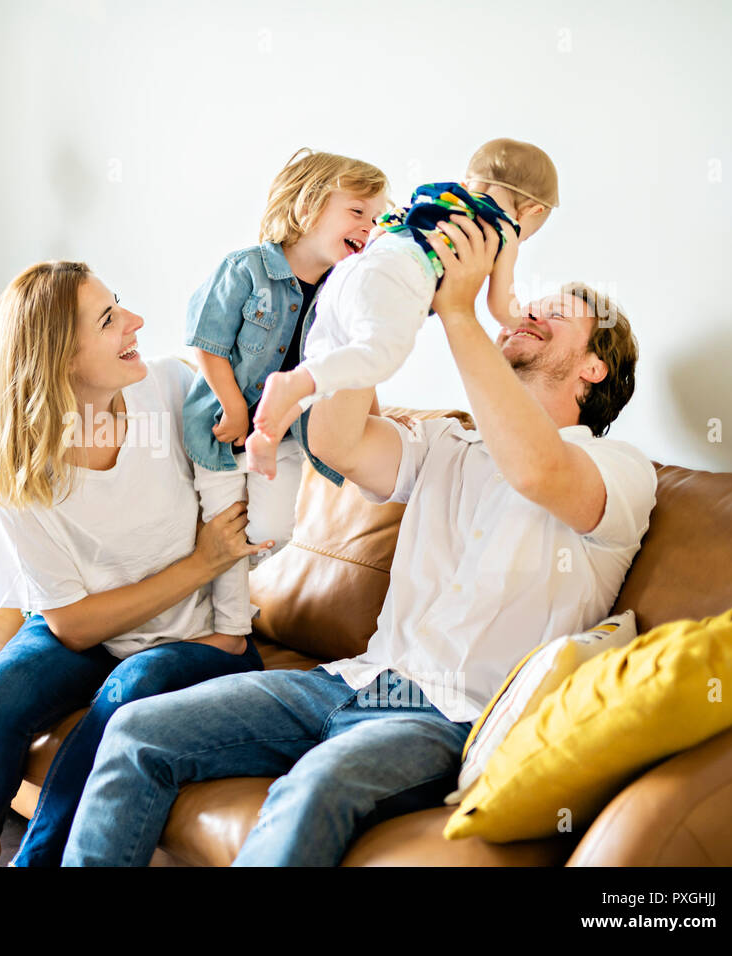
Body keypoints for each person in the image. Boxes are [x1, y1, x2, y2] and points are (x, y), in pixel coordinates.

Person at [61, 213, 658, 866]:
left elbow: (539, 469)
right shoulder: (446, 443)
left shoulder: (620, 472)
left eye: (558, 313)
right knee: (137, 730)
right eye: (527, 305)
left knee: (314, 785)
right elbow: (335, 440)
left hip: (444, 718)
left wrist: (460, 313)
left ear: (595, 367)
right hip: (350, 680)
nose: (526, 312)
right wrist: (377, 293)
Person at [0, 260, 269, 867]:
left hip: (195, 637)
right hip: (90, 629)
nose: (136, 322)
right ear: (63, 359)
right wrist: (202, 562)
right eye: (109, 319)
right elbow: (71, 625)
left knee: (134, 687)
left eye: (118, 304)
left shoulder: (172, 387)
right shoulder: (15, 464)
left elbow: (251, 462)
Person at [246, 138, 559, 479]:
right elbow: (500, 306)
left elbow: (391, 225)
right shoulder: (504, 227)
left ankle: (268, 433)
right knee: (377, 354)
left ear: (469, 182)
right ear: (532, 211)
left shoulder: (441, 195)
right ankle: (291, 386)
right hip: (393, 279)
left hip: (352, 269)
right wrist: (517, 317)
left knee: (332, 365)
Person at [183, 149, 388, 636]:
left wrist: (375, 421)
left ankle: (204, 599)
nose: (369, 226)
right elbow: (207, 344)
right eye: (357, 211)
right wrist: (234, 408)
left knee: (275, 532)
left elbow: (355, 365)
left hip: (287, 435)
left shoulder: (341, 292)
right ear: (306, 207)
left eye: (376, 218)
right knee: (226, 527)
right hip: (221, 429)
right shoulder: (245, 269)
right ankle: (230, 631)